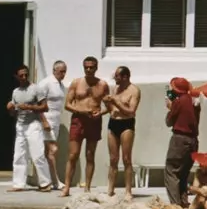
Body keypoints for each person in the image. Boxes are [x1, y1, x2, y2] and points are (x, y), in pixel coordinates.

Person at [62, 56, 109, 197]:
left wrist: (100, 113)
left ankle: (87, 187)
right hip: (78, 119)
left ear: (96, 68)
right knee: (73, 155)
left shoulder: (102, 85)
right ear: (83, 68)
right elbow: (67, 104)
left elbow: (109, 106)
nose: (89, 69)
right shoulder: (76, 83)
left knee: (90, 155)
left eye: (91, 67)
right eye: (86, 67)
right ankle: (67, 187)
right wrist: (82, 111)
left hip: (94, 121)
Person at [7, 65, 53, 192]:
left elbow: (45, 107)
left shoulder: (35, 89)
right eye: (21, 75)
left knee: (37, 155)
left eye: (26, 74)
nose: (24, 77)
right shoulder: (15, 92)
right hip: (20, 125)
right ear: (16, 76)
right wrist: (10, 109)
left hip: (33, 124)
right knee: (19, 155)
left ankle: (45, 183)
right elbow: (14, 113)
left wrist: (29, 107)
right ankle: (18, 184)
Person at [104, 66, 142, 199]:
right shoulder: (115, 88)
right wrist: (106, 105)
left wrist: (116, 101)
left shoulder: (134, 91)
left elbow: (131, 111)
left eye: (117, 76)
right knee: (113, 159)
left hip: (126, 124)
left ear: (125, 77)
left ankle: (128, 190)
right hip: (113, 123)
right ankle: (110, 189)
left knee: (126, 158)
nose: (115, 79)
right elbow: (113, 109)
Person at [165, 77, 201, 207]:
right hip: (193, 140)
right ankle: (184, 202)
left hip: (180, 139)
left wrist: (170, 107)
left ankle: (175, 205)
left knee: (172, 171)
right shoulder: (194, 101)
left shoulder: (179, 102)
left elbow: (169, 122)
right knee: (184, 173)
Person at [37, 60, 68, 187]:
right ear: (54, 70)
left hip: (55, 120)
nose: (63, 74)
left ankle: (47, 180)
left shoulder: (61, 85)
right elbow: (38, 103)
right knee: (52, 150)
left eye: (65, 71)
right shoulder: (45, 83)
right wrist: (44, 121)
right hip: (47, 119)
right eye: (61, 71)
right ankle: (55, 181)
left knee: (49, 152)